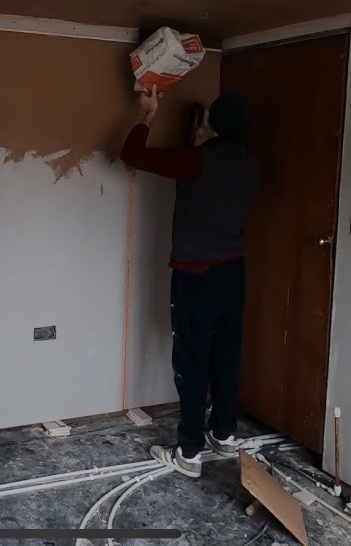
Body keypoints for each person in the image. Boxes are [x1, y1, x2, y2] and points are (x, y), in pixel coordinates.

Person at [120, 87, 259, 478]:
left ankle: (189, 452)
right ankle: (224, 432)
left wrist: (148, 114)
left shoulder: (198, 161)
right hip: (233, 273)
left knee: (192, 359)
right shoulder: (250, 165)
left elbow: (132, 154)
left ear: (210, 125)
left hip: (197, 274)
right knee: (226, 353)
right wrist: (203, 145)